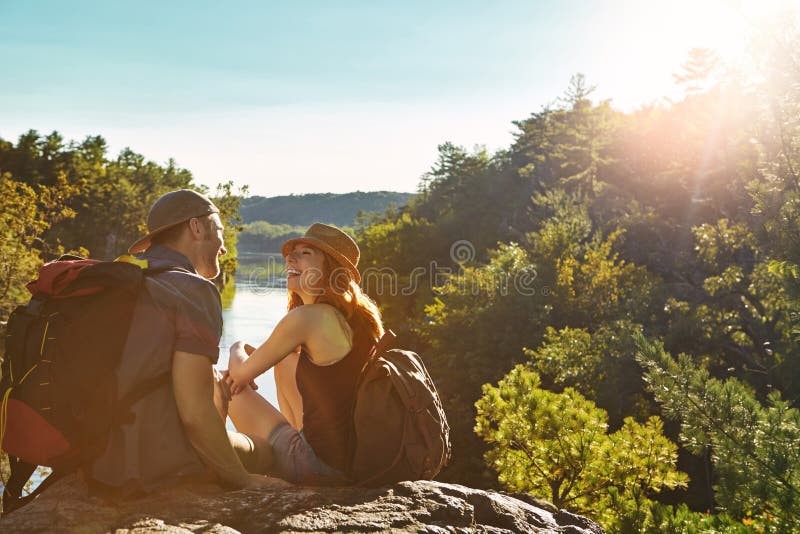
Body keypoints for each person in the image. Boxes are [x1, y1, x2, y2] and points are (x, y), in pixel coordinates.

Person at [89, 189, 276, 496]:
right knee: (267, 451)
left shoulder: (128, 278)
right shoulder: (193, 289)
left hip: (97, 454)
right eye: (220, 232)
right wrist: (244, 482)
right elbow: (194, 413)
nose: (224, 249)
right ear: (197, 227)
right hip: (147, 463)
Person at [224, 223, 384, 484]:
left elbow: (239, 374)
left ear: (330, 269)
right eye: (291, 253)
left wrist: (237, 346)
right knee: (286, 360)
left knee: (222, 382)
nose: (290, 258)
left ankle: (218, 466)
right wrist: (258, 357)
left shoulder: (308, 318)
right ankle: (293, 446)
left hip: (318, 467)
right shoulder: (357, 318)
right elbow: (280, 358)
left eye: (305, 253)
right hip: (350, 462)